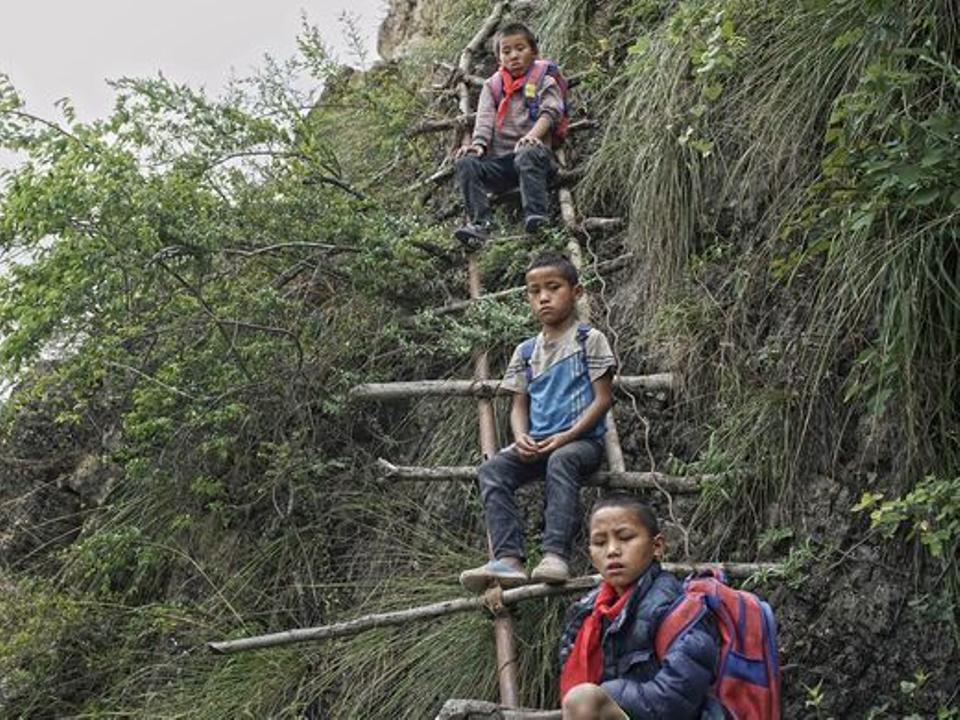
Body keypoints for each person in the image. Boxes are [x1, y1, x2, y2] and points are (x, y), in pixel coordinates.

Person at [460, 252, 615, 591]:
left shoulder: (590, 340)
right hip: (538, 442)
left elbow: (603, 399)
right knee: (492, 470)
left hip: (581, 443)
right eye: (534, 291)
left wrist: (566, 437)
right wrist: (522, 436)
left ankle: (554, 555)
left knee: (562, 459)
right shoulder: (526, 351)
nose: (543, 297)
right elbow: (519, 405)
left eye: (553, 287)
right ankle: (509, 559)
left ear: (576, 292)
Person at [558, 496, 724, 720]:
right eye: (599, 542)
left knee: (584, 700)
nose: (612, 550)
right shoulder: (587, 612)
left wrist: (603, 697)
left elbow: (677, 700)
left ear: (657, 547)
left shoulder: (680, 610)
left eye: (625, 538)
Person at [453, 21, 563, 248]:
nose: (514, 56)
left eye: (520, 48)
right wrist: (478, 146)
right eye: (506, 51)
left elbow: (551, 112)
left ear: (534, 52)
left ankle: (536, 217)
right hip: (502, 164)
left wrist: (533, 136)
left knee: (527, 151)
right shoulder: (493, 86)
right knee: (465, 162)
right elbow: (484, 119)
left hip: (537, 159)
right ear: (499, 58)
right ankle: (481, 225)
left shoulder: (545, 80)